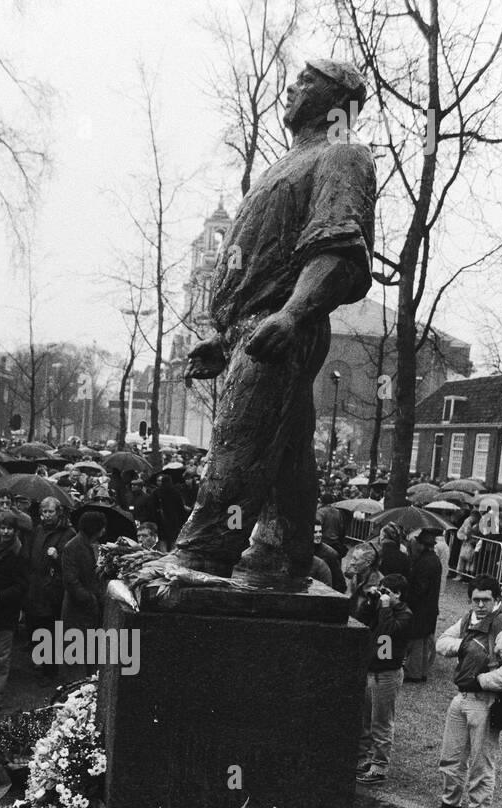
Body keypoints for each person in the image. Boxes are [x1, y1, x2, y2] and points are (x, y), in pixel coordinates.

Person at [174, 59, 375, 581]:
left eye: (307, 81)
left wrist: (292, 314)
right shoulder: (283, 166)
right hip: (257, 325)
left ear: (337, 102)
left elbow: (337, 250)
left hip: (283, 325)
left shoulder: (342, 154)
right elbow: (260, 260)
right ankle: (283, 549)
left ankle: (204, 551)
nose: (291, 87)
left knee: (239, 438)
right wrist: (222, 335)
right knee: (287, 450)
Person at [410, 575, 502, 808]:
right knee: (451, 759)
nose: (480, 605)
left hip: (485, 701)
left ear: (496, 600)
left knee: (482, 766)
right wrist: (462, 645)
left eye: (486, 600)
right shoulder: (469, 619)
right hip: (462, 697)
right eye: (476, 600)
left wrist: (484, 681)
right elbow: (442, 641)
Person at [355, 573, 413, 786]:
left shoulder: (405, 615)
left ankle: (379, 766)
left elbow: (387, 634)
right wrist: (371, 602)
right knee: (365, 720)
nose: (382, 595)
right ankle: (365, 759)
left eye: (386, 592)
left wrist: (386, 607)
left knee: (381, 722)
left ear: (398, 594)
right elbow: (360, 620)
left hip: (387, 674)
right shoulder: (381, 607)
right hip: (372, 670)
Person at [0, 511, 28, 706]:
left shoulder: (19, 552)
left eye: (9, 528)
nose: (6, 532)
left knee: (2, 655)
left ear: (15, 530)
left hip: (6, 610)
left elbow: (21, 585)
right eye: (3, 528)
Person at [27, 499, 76, 678]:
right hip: (36, 586)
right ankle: (40, 661)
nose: (47, 515)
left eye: (50, 512)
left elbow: (71, 563)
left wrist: (57, 557)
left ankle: (50, 670)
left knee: (51, 630)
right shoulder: (38, 530)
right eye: (44, 511)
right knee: (36, 625)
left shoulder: (68, 533)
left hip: (53, 589)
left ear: (58, 512)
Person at [61, 509, 107, 680]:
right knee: (76, 655)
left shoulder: (90, 545)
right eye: (102, 527)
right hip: (77, 609)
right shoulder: (72, 547)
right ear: (95, 528)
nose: (104, 531)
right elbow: (71, 581)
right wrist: (90, 599)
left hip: (88, 609)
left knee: (89, 653)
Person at [403, 528, 442, 682]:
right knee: (424, 640)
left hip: (421, 608)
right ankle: (422, 671)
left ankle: (414, 673)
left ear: (422, 544)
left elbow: (420, 588)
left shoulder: (425, 562)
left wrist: (408, 600)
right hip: (430, 608)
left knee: (417, 640)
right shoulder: (434, 559)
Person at [313, 521, 346, 591]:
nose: (318, 535)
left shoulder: (330, 554)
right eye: (315, 532)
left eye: (320, 532)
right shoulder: (303, 550)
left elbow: (340, 583)